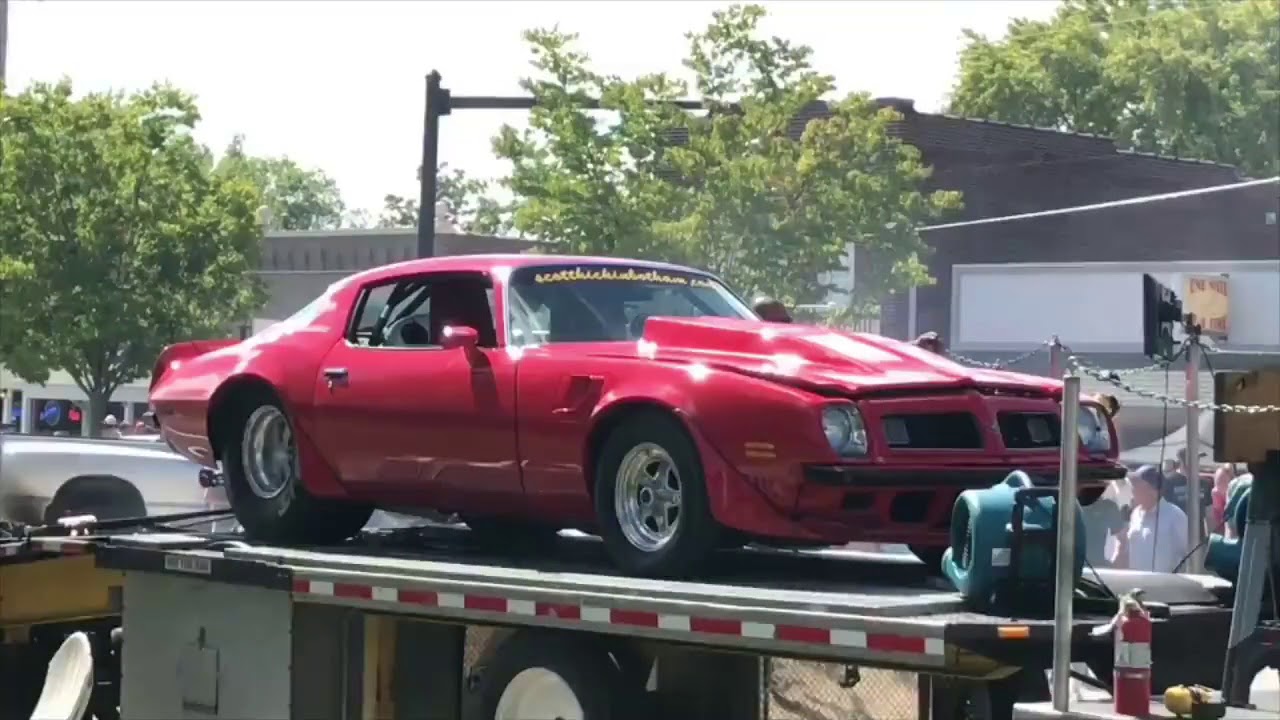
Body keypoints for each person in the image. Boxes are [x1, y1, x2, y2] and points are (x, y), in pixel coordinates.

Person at [1111, 465, 1189, 573]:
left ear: (1152, 490)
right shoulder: (1135, 514)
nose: (1132, 490)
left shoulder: (1175, 516)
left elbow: (1188, 555)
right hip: (1136, 583)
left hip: (1164, 586)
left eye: (1136, 485)